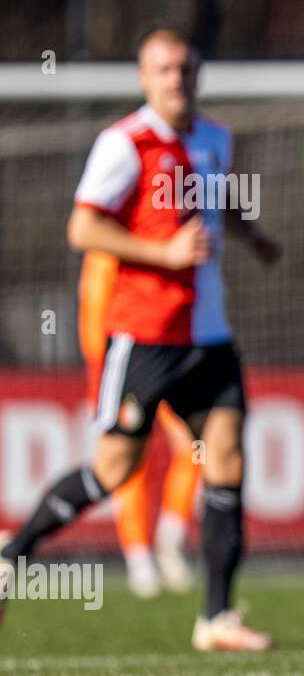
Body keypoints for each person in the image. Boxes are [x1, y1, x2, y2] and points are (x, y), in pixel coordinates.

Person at [0, 27, 280, 649]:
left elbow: (218, 198)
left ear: (197, 72)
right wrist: (163, 250)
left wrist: (251, 235)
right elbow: (83, 229)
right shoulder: (123, 144)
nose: (175, 79)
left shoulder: (214, 137)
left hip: (208, 337)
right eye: (162, 69)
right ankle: (11, 556)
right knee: (113, 471)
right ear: (143, 78)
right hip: (145, 336)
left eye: (183, 67)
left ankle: (215, 617)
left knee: (227, 459)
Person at [79, 249, 199, 599]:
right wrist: (103, 374)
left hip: (169, 354)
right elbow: (94, 316)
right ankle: (138, 556)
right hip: (125, 364)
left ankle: (171, 540)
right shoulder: (107, 247)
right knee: (128, 462)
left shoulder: (156, 232)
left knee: (194, 448)